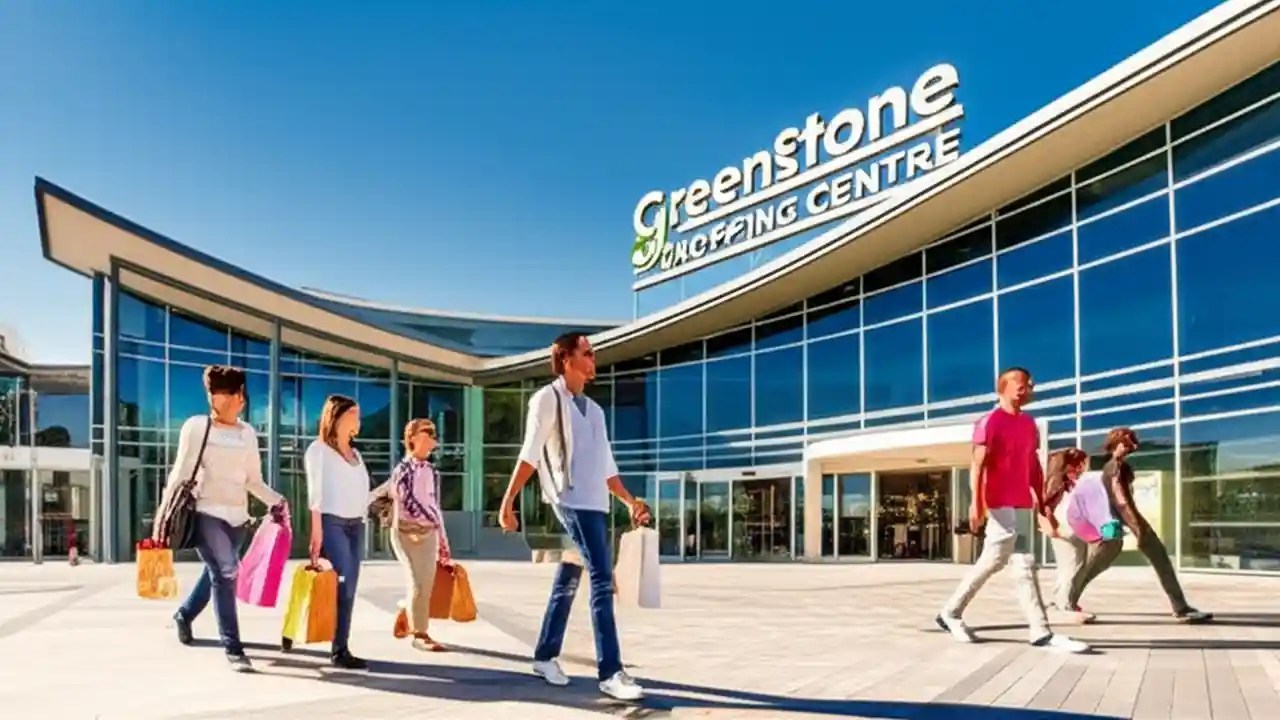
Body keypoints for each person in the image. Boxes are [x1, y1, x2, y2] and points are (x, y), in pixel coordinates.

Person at [498, 331, 651, 701]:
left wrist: (629, 500)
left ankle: (544, 655)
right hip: (569, 502)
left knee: (568, 579)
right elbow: (530, 453)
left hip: (595, 503)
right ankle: (610, 672)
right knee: (601, 578)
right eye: (587, 352)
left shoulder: (595, 411)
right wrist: (508, 501)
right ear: (566, 360)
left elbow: (607, 466)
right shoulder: (546, 399)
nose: (593, 358)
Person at [935, 367, 1089, 653]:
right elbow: (978, 465)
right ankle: (1039, 631)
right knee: (1022, 563)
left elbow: (1033, 464)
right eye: (1021, 383)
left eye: (1030, 384)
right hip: (997, 502)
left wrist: (1042, 501)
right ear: (1002, 387)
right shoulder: (989, 422)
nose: (1028, 387)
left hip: (1020, 502)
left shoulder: (1029, 425)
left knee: (997, 560)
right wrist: (976, 502)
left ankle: (951, 612)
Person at [157, 365, 287, 672]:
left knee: (216, 574)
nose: (233, 400)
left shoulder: (248, 434)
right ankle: (233, 647)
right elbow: (181, 473)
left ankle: (184, 615)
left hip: (238, 519)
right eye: (224, 394)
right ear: (213, 396)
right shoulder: (197, 427)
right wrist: (163, 516)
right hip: (207, 514)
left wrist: (277, 500)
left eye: (236, 394)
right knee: (227, 572)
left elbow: (253, 480)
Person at [1071, 427, 1213, 623]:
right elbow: (1121, 501)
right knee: (1094, 565)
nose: (1133, 446)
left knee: (1158, 559)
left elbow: (1123, 499)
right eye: (1127, 442)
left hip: (1127, 522)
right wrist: (1138, 526)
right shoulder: (1114, 468)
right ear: (1116, 444)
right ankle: (1067, 599)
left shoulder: (1120, 467)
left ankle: (1180, 606)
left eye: (1132, 442)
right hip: (1125, 524)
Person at [370, 418, 452, 652]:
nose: (432, 437)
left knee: (426, 585)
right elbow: (408, 501)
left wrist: (443, 539)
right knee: (417, 582)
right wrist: (430, 518)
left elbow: (435, 506)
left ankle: (408, 611)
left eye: (434, 433)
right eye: (426, 432)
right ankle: (420, 634)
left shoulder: (433, 473)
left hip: (428, 533)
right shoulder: (402, 471)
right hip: (405, 533)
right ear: (412, 437)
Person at [305, 394, 372, 670]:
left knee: (349, 587)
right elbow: (315, 493)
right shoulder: (318, 450)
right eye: (354, 413)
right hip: (333, 524)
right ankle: (339, 650)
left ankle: (340, 645)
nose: (358, 419)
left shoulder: (356, 454)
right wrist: (316, 531)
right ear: (338, 417)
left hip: (357, 524)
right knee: (342, 585)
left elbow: (361, 492)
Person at [1041, 447, 1101, 624]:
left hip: (1075, 530)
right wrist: (1053, 527)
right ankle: (1063, 606)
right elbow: (1045, 508)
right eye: (1080, 463)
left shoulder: (1072, 483)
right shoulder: (1058, 483)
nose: (1083, 466)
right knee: (1073, 567)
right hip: (1066, 531)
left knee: (1073, 567)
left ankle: (1060, 602)